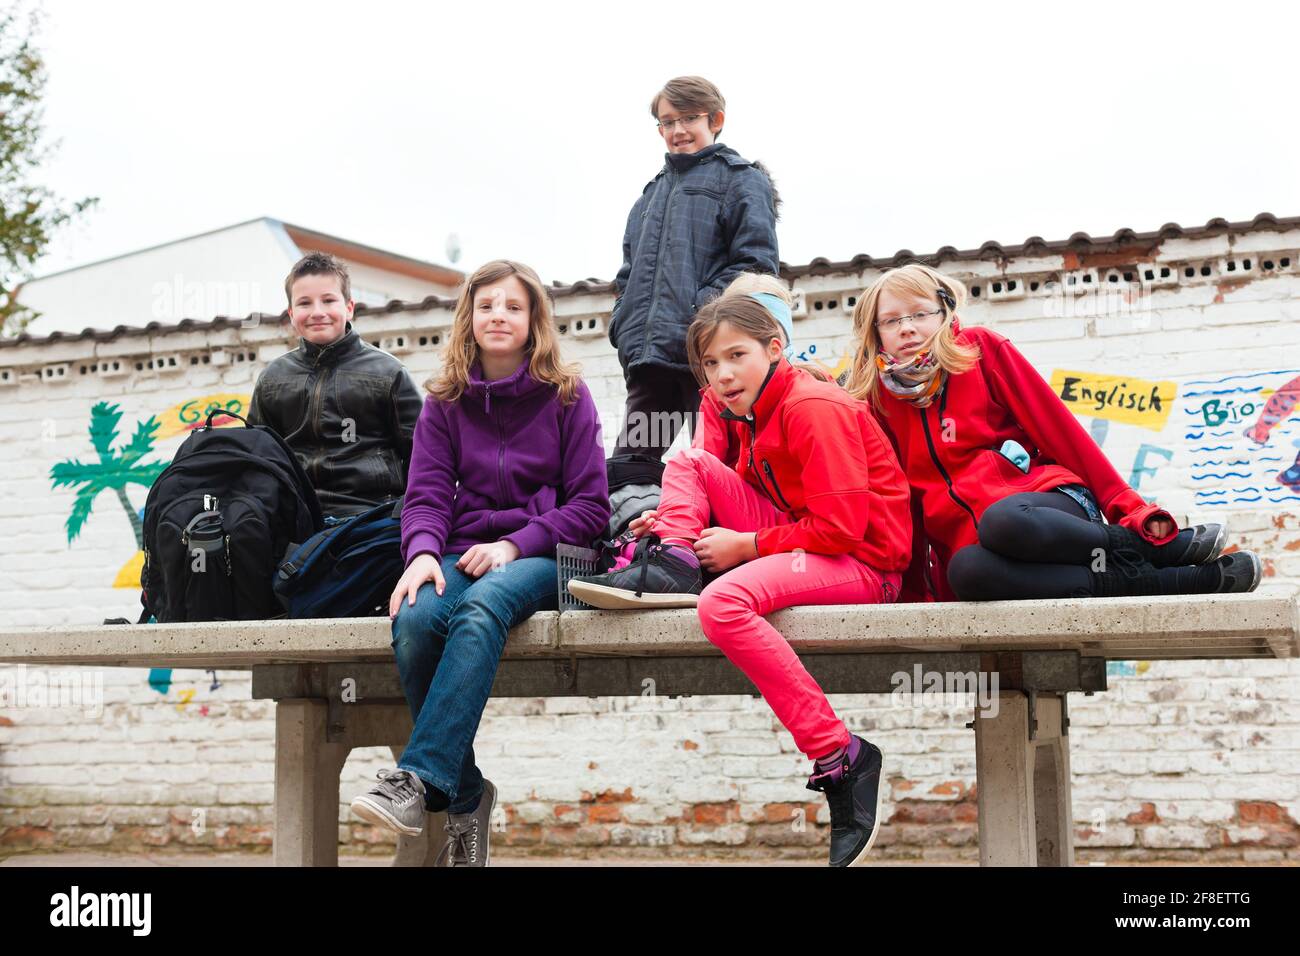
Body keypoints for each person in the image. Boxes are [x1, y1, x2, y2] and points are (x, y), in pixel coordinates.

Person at [569, 293, 911, 867]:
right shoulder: (751, 412)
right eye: (709, 364)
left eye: (736, 356)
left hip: (866, 563)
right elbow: (762, 500)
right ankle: (673, 558)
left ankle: (841, 756)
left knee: (724, 603)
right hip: (809, 539)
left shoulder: (810, 408)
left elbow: (843, 529)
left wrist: (746, 546)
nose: (723, 374)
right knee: (688, 463)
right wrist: (681, 522)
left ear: (774, 349)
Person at [349, 260, 610, 866]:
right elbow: (428, 494)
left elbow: (591, 506)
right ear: (470, 316)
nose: (499, 315)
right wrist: (418, 557)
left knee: (484, 605)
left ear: (533, 320)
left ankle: (414, 780)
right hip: (462, 551)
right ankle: (466, 796)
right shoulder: (445, 402)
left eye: (513, 307)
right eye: (487, 304)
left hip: (552, 555)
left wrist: (516, 545)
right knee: (414, 616)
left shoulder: (568, 395)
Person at [843, 263, 1262, 602]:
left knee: (1001, 520)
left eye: (919, 313)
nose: (907, 328)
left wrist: (1130, 510)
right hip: (993, 551)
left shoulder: (978, 350)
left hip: (1045, 512)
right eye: (891, 320)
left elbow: (1061, 432)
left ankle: (1147, 547)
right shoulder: (877, 401)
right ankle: (1170, 581)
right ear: (875, 332)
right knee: (966, 572)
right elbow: (902, 500)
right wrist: (916, 592)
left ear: (944, 312)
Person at [609, 75, 780, 461]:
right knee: (630, 467)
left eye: (688, 118)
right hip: (652, 367)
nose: (677, 130)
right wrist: (624, 322)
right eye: (667, 122)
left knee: (722, 465)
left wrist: (700, 313)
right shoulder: (648, 197)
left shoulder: (741, 179)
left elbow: (756, 264)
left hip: (711, 364)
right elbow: (627, 276)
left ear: (715, 120)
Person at [246, 251, 423, 517]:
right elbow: (257, 457)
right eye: (305, 303)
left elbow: (423, 457)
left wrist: (403, 516)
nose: (318, 312)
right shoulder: (273, 378)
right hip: (296, 518)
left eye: (328, 300)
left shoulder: (389, 373)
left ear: (349, 307)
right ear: (292, 314)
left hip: (373, 516)